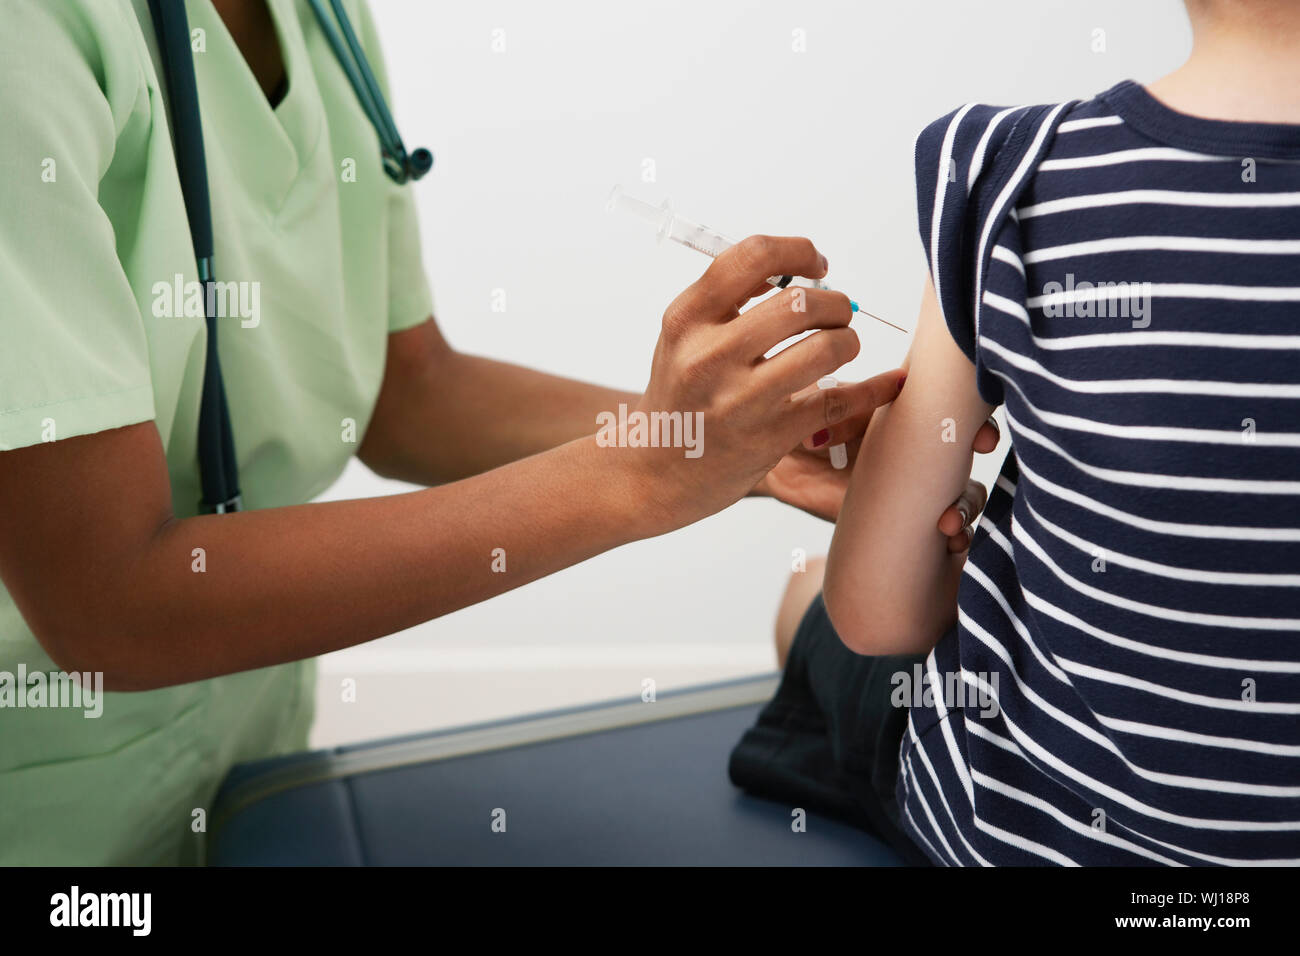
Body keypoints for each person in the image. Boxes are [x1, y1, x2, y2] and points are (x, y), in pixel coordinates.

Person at [0, 0, 991, 865]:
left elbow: (402, 391)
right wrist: (637, 476)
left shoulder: (318, 16)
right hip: (51, 796)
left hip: (246, 753)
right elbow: (107, 602)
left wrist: (738, 454)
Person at [769, 0, 1300, 865]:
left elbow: (878, 614)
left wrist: (938, 544)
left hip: (1031, 839)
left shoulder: (1016, 172)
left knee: (807, 592)